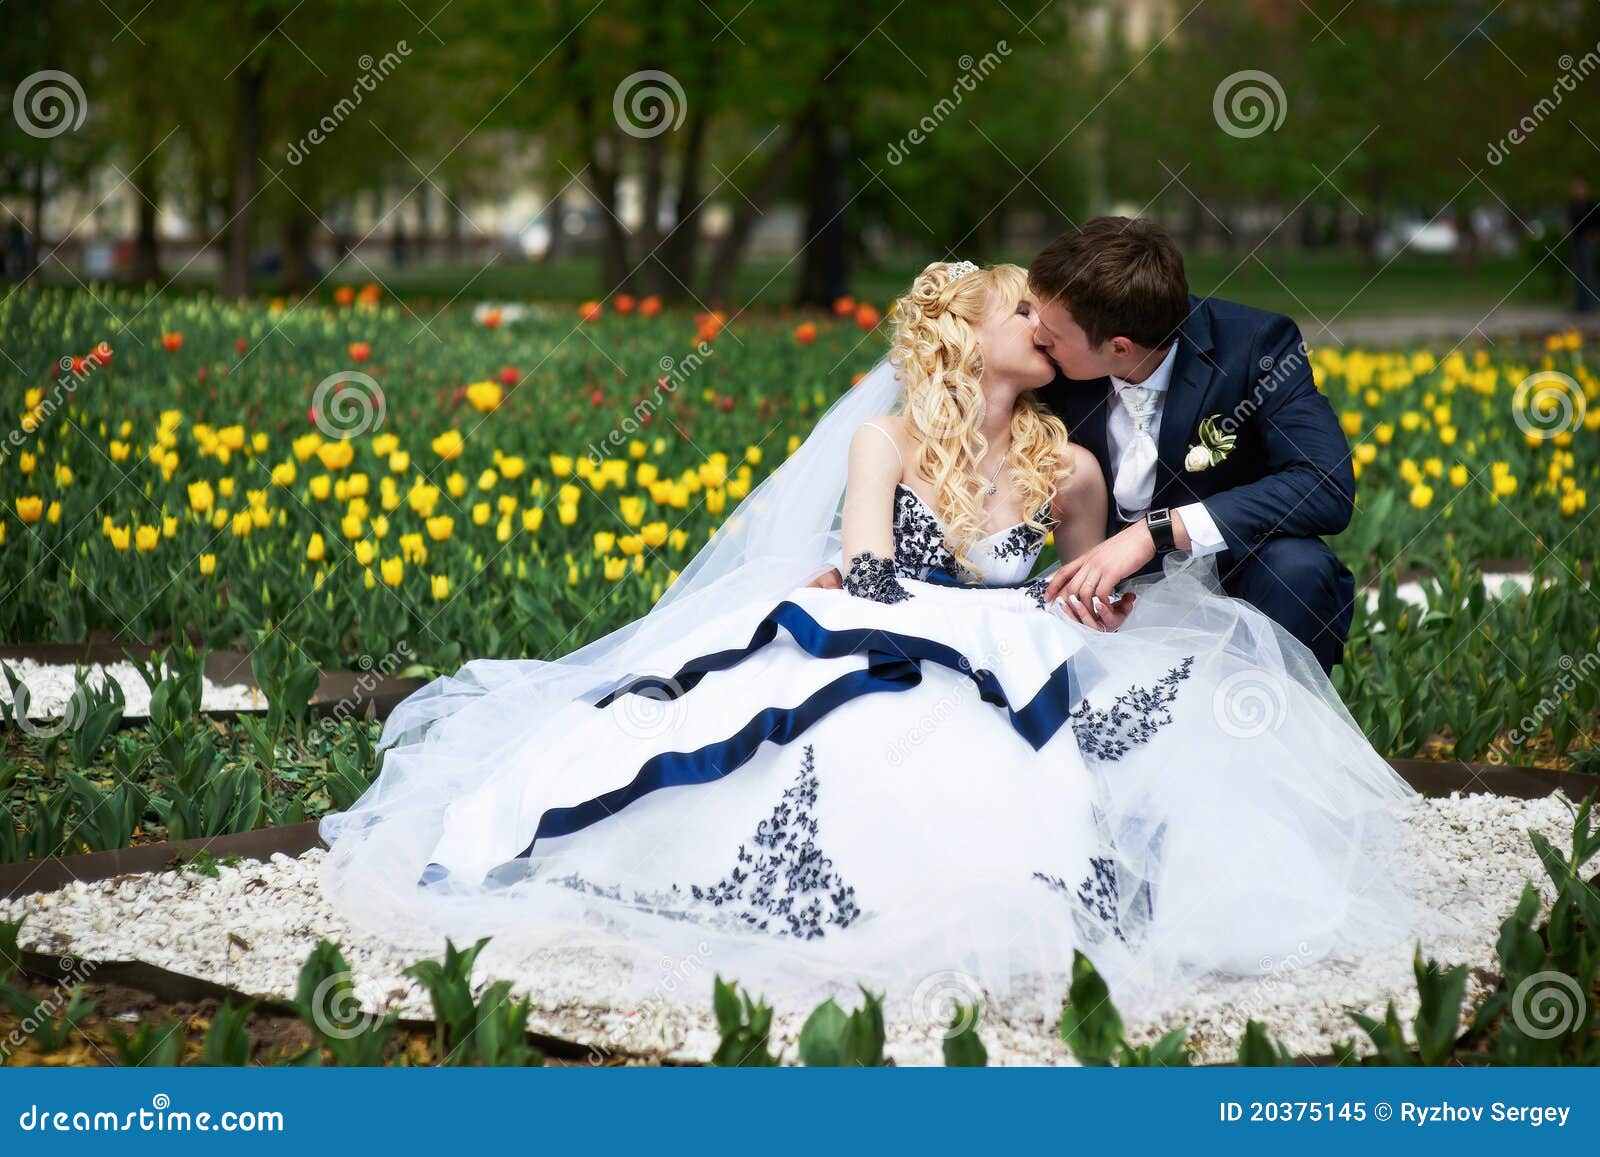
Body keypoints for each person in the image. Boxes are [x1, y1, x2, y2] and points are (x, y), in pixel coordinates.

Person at [318, 260, 1437, 1024]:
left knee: (1110, 726)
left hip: (1021, 635)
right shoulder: (884, 439)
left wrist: (1084, 597)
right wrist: (889, 590)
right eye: (1023, 320)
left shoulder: (1073, 461)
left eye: (1055, 326)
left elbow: (1082, 593)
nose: (1045, 334)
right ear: (966, 336)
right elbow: (864, 566)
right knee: (842, 730)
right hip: (893, 623)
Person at [1570, 177, 1599, 314]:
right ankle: (1579, 305)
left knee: (1588, 273)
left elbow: (1594, 223)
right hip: (1576, 241)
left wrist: (1593, 236)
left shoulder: (1590, 205)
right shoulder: (1573, 205)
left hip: (1586, 241)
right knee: (1578, 273)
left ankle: (1590, 305)